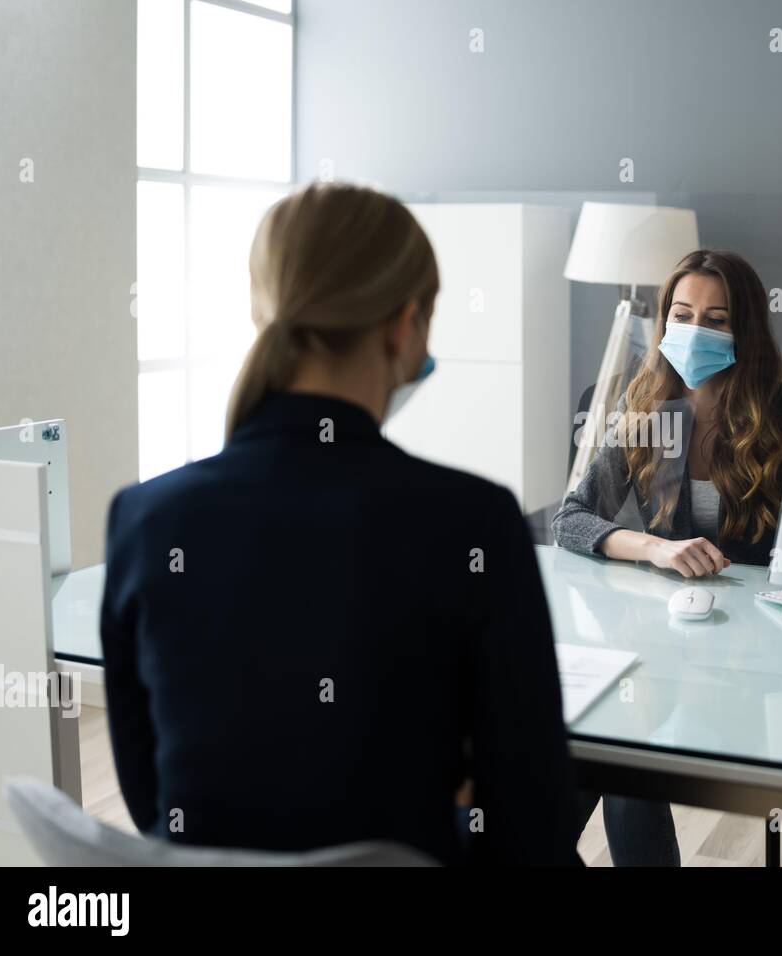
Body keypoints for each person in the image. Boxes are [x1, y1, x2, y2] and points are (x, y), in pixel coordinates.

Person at [100, 182, 580, 866]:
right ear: (403, 325)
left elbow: (156, 806)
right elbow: (530, 828)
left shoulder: (144, 521)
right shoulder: (474, 523)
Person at [552, 249, 782, 866]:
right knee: (573, 775)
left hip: (761, 661)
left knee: (627, 771)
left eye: (716, 319)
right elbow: (571, 518)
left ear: (744, 330)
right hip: (666, 647)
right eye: (681, 314)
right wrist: (655, 548)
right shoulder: (642, 408)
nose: (695, 331)